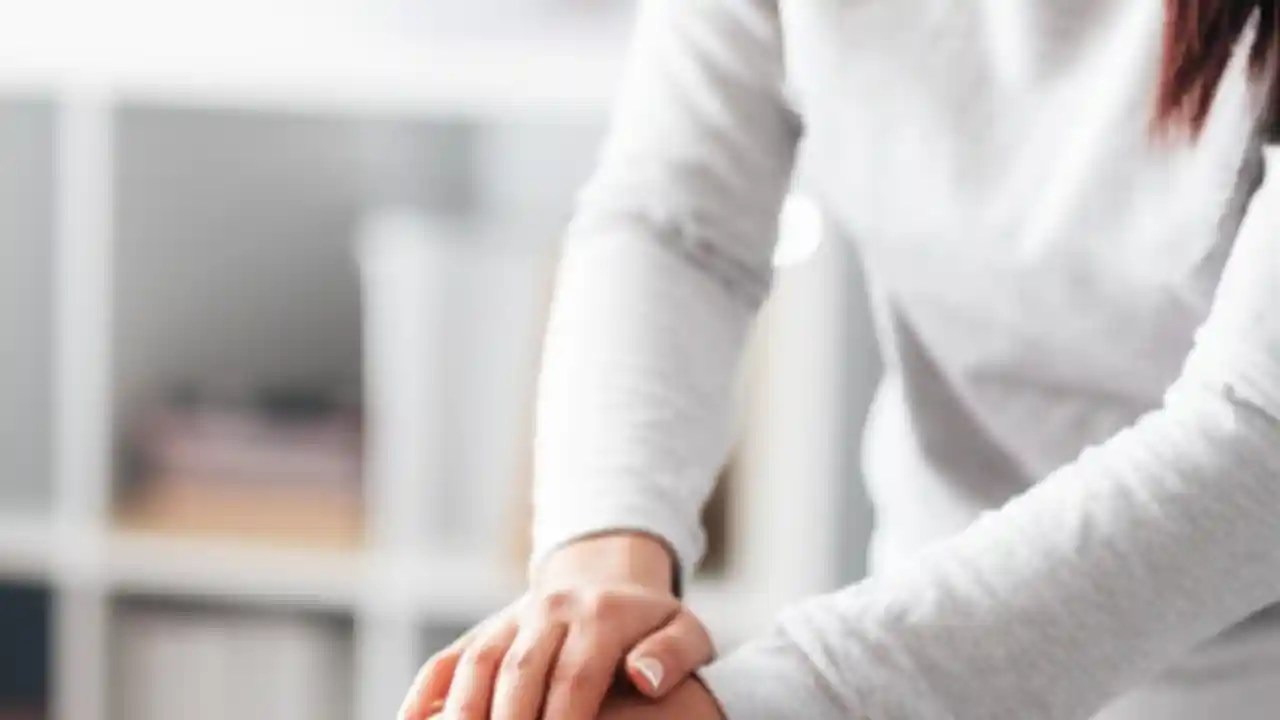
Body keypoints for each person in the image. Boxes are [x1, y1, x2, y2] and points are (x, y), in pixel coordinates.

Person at [399, 1, 1280, 718]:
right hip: (939, 618)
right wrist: (602, 570)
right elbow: (675, 224)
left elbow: (1260, 431)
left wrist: (776, 699)